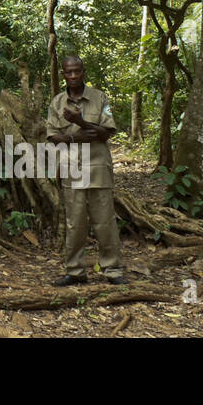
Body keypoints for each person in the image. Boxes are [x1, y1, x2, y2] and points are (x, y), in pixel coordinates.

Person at [46, 56, 126, 285]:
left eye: (77, 71)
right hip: (72, 169)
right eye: (69, 72)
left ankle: (112, 269)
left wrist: (80, 122)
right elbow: (53, 138)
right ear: (63, 74)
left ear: (83, 72)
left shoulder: (99, 98)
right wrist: (75, 137)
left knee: (105, 221)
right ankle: (75, 271)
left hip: (98, 167)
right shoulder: (57, 103)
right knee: (75, 223)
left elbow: (105, 133)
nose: (73, 76)